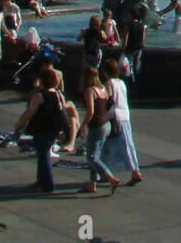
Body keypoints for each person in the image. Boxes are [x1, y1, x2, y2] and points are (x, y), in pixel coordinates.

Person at [14, 65, 76, 193]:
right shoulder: (58, 94)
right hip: (53, 129)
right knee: (43, 154)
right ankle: (40, 181)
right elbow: (62, 109)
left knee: (43, 157)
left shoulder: (39, 96)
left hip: (42, 128)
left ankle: (48, 185)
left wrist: (20, 124)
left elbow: (29, 112)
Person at [76, 67, 120, 195]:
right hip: (106, 125)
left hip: (97, 126)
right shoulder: (103, 89)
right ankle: (92, 184)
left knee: (92, 157)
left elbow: (91, 111)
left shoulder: (90, 91)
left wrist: (82, 125)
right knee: (96, 154)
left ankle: (111, 178)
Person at [100, 58, 143, 186]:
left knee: (110, 146)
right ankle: (132, 171)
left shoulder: (109, 83)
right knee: (127, 145)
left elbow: (109, 99)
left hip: (115, 117)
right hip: (125, 116)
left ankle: (107, 173)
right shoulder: (121, 83)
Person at [122, 8, 146, 85]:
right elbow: (143, 37)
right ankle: (138, 83)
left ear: (131, 15)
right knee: (137, 67)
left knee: (130, 66)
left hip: (130, 48)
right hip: (138, 48)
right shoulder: (141, 25)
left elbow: (125, 37)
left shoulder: (128, 25)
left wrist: (123, 47)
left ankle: (131, 83)